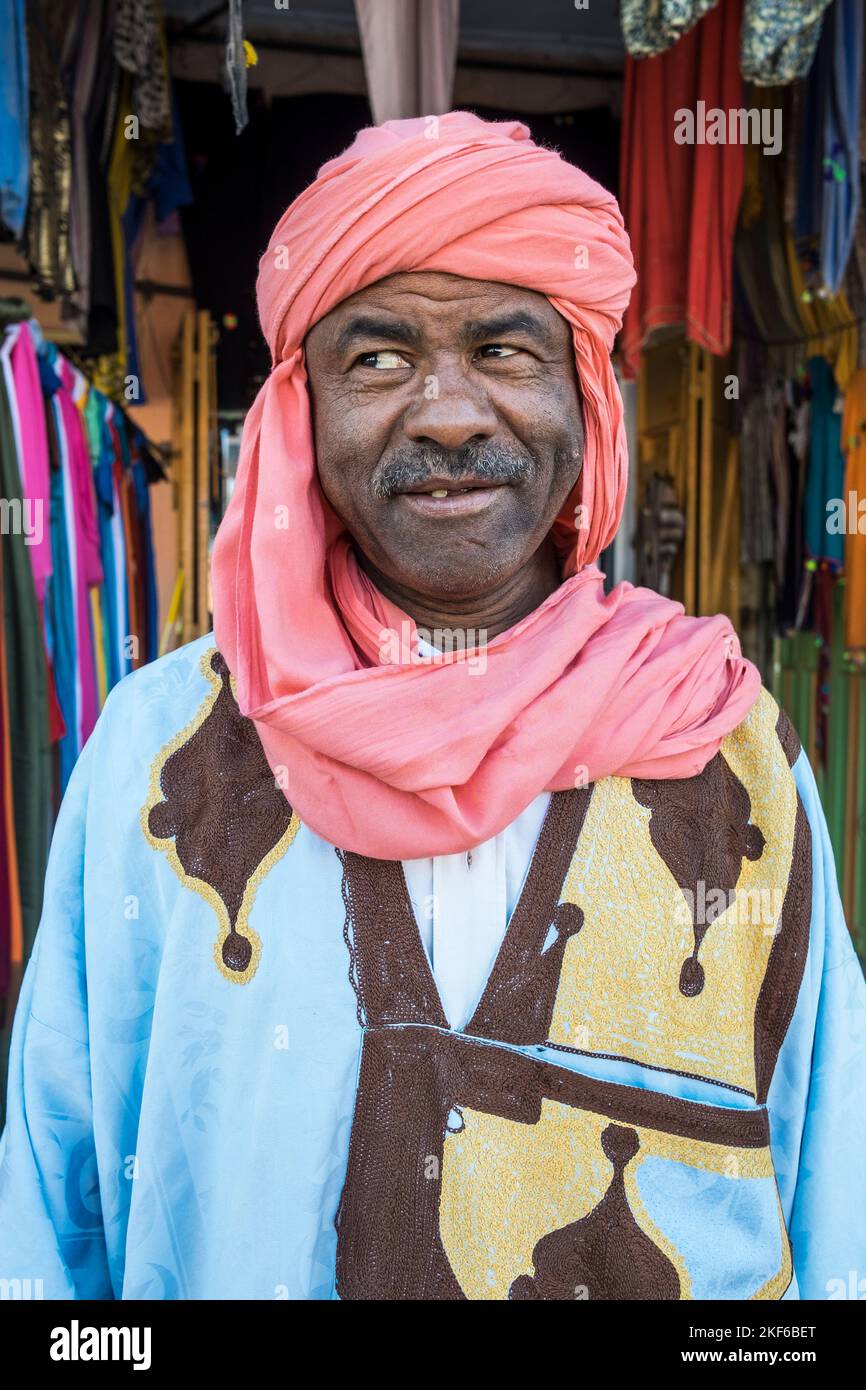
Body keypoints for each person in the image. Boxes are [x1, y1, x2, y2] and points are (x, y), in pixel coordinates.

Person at [0, 112, 863, 1302]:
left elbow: (835, 1202)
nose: (448, 415)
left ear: (588, 403)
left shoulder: (725, 745)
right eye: (378, 357)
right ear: (301, 412)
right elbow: (50, 1207)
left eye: (507, 351)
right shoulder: (161, 751)